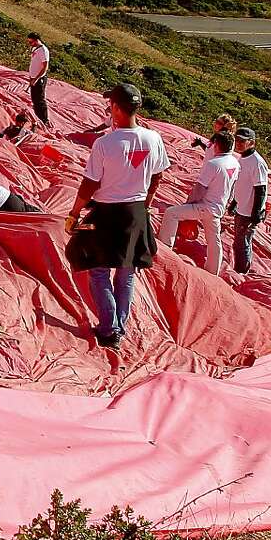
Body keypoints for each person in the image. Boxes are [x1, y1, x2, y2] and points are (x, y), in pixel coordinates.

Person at [70, 82, 170, 348]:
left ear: (115, 107)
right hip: (136, 212)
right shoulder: (154, 138)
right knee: (127, 274)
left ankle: (108, 328)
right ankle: (119, 327)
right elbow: (158, 176)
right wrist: (145, 203)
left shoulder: (105, 143)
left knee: (98, 270)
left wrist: (74, 213)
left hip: (105, 214)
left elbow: (89, 184)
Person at [160, 130, 239, 276]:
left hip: (204, 206)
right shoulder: (234, 163)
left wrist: (188, 204)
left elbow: (200, 189)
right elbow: (233, 188)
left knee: (171, 214)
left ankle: (164, 252)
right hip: (218, 208)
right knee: (214, 240)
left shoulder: (213, 164)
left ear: (216, 145)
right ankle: (212, 272)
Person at [227, 127, 271, 274]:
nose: (238, 143)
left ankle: (241, 272)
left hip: (248, 212)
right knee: (238, 242)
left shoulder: (257, 163)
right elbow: (241, 184)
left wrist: (256, 213)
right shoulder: (243, 158)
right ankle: (240, 269)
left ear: (251, 143)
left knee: (242, 243)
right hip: (242, 207)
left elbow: (261, 189)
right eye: (236, 140)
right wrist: (234, 202)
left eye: (242, 141)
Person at [26, 32, 51, 125]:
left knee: (40, 99)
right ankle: (37, 117)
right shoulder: (34, 49)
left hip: (39, 78)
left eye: (31, 42)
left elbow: (45, 67)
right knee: (34, 99)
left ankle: (44, 120)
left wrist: (36, 78)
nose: (30, 44)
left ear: (36, 40)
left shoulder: (43, 50)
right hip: (33, 77)